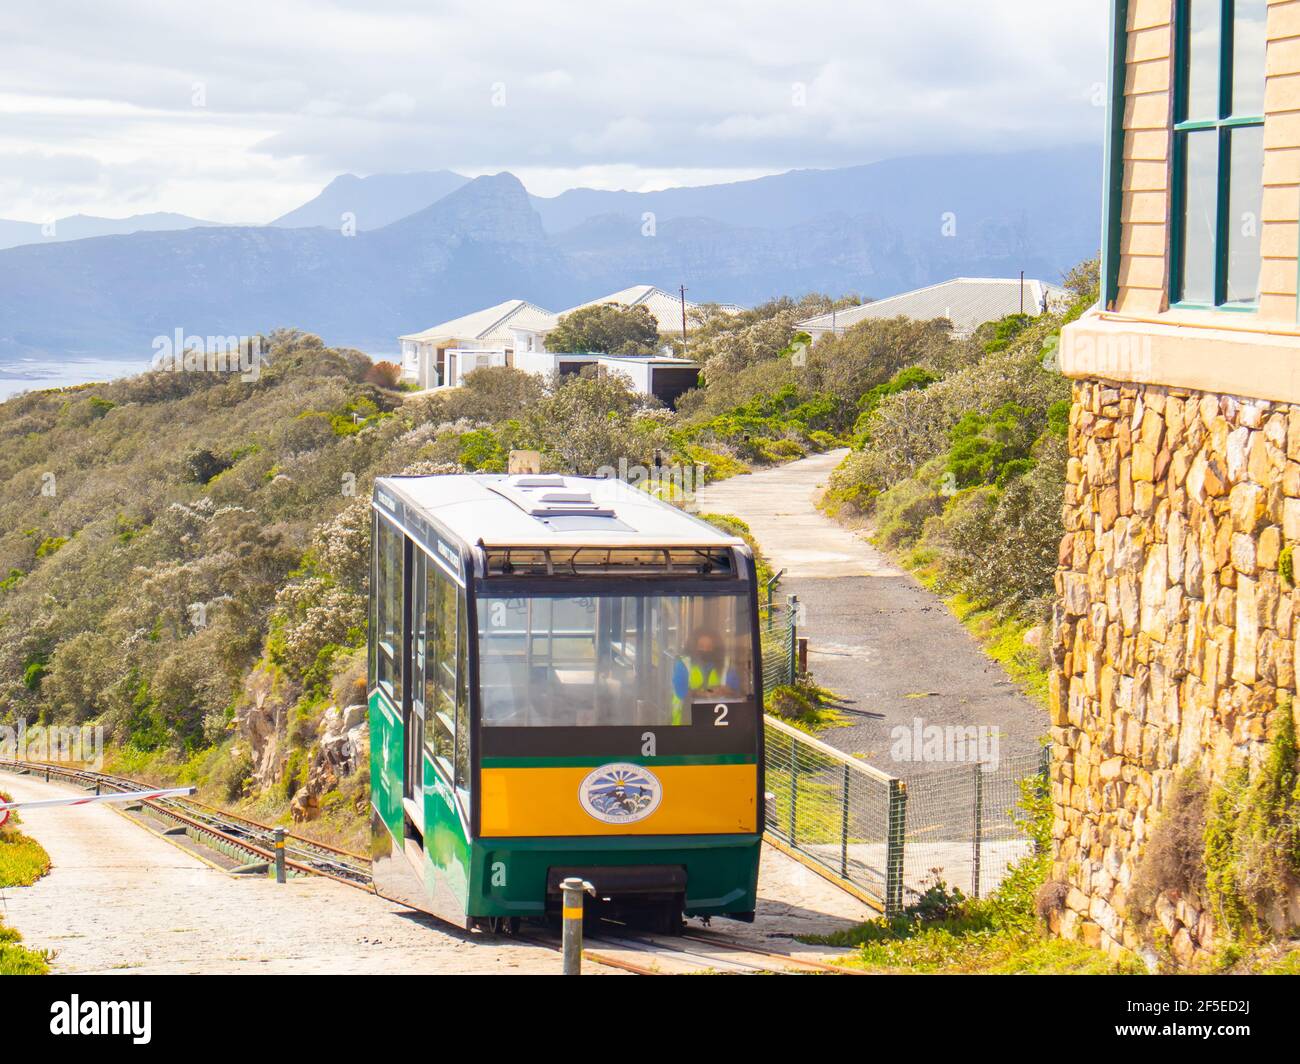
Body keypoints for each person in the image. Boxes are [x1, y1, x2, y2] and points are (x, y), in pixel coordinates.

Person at [670, 627, 740, 724]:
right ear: (693, 646)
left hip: (717, 725)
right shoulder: (683, 663)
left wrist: (725, 690)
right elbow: (680, 691)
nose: (705, 650)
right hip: (686, 724)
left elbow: (736, 690)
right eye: (701, 646)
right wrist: (701, 694)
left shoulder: (726, 664)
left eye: (709, 646)